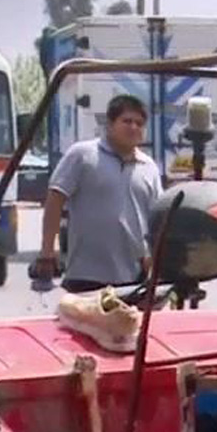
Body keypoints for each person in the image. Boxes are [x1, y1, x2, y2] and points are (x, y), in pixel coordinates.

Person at [34, 95, 163, 292]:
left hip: (134, 278)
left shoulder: (149, 167)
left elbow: (157, 219)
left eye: (139, 123)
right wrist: (47, 252)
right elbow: (55, 199)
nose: (134, 128)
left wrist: (153, 260)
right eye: (127, 121)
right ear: (110, 124)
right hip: (86, 276)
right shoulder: (83, 155)